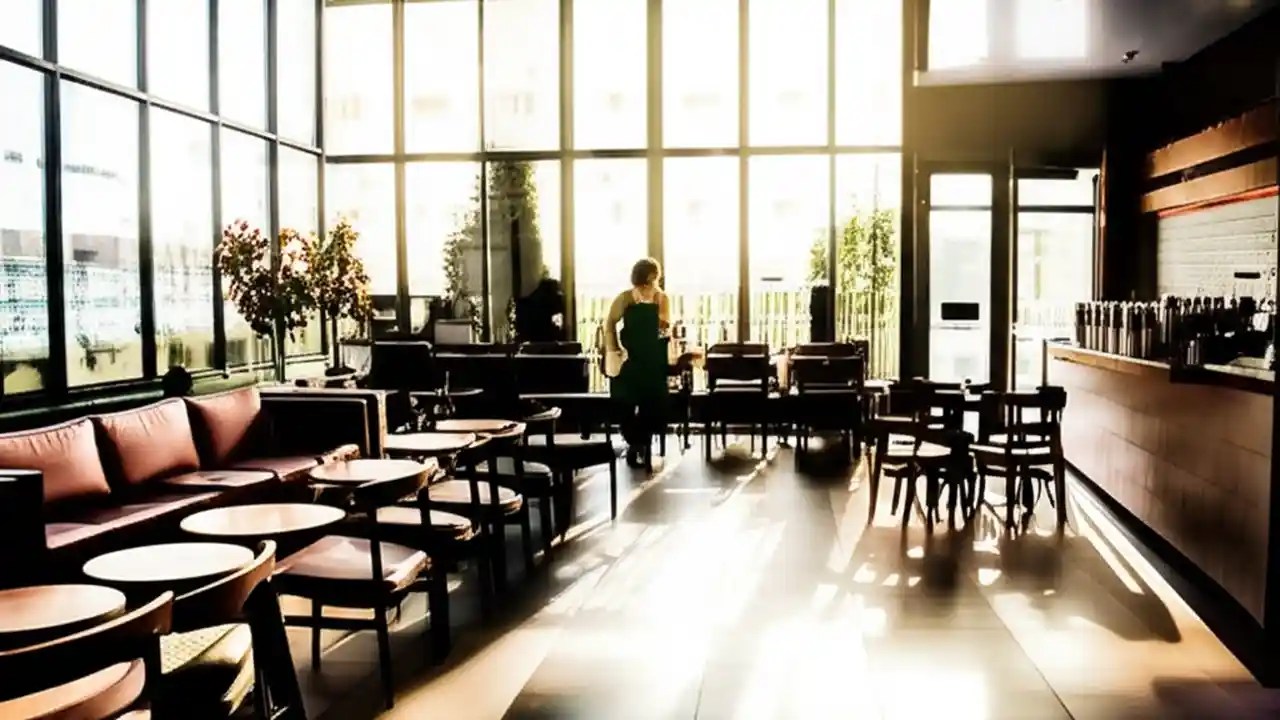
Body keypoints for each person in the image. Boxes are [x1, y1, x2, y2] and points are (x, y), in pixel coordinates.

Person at [605, 258, 670, 468]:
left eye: (653, 280)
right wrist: (613, 348)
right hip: (631, 359)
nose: (649, 285)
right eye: (646, 281)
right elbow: (609, 323)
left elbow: (665, 328)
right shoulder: (624, 298)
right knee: (623, 398)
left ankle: (644, 443)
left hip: (653, 359)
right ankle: (634, 442)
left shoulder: (662, 298)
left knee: (653, 402)